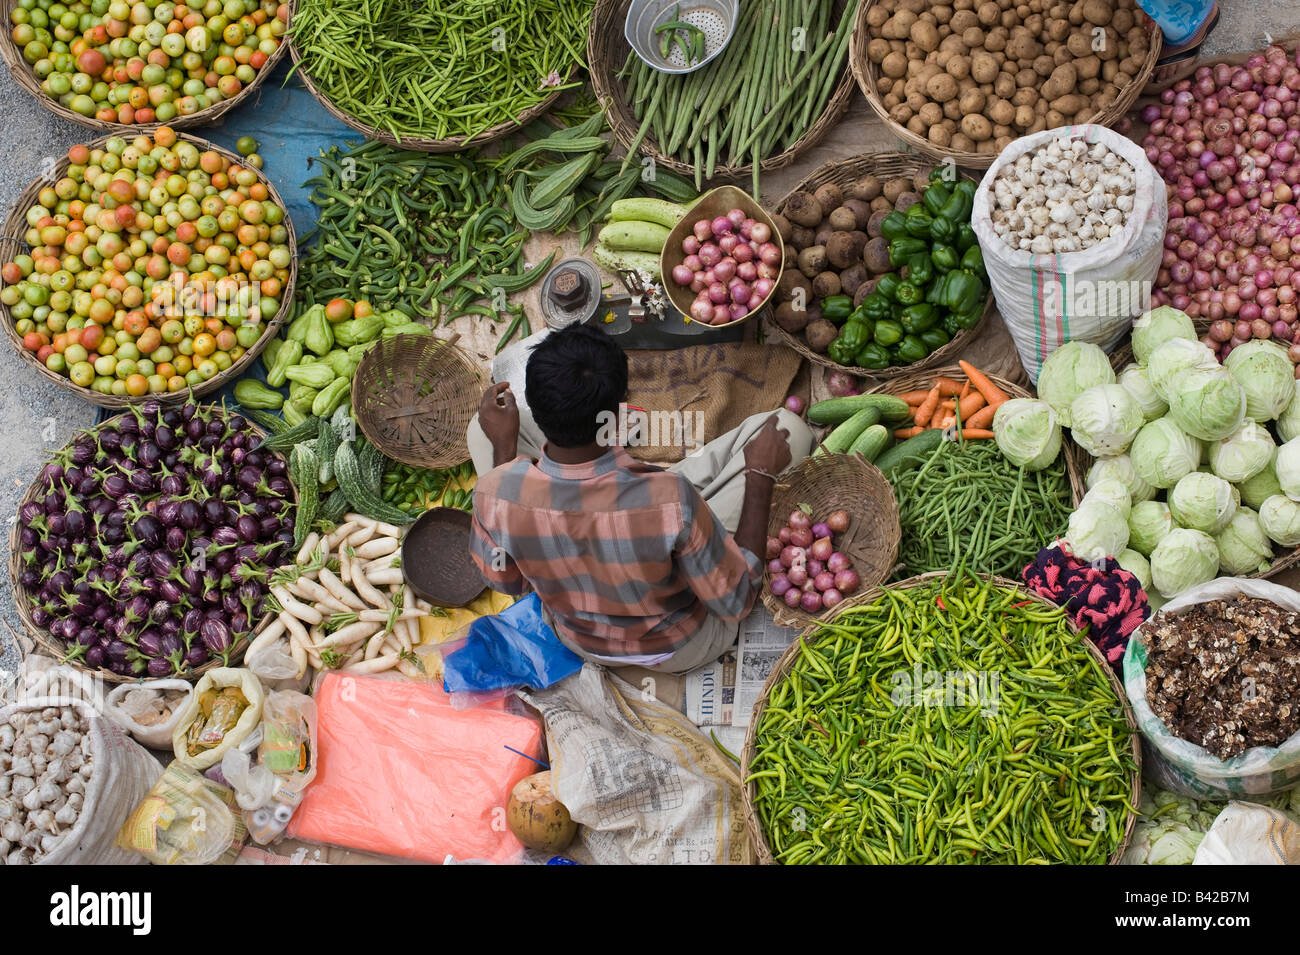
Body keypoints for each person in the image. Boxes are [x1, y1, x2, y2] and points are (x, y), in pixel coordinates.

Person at [466, 325, 813, 674]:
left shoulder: (492, 495)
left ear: (538, 409)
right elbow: (735, 602)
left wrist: (504, 454)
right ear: (615, 412)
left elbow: (507, 581)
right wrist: (760, 476)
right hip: (681, 645)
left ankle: (570, 442)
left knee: (482, 430)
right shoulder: (671, 499)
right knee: (788, 428)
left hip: (579, 639)